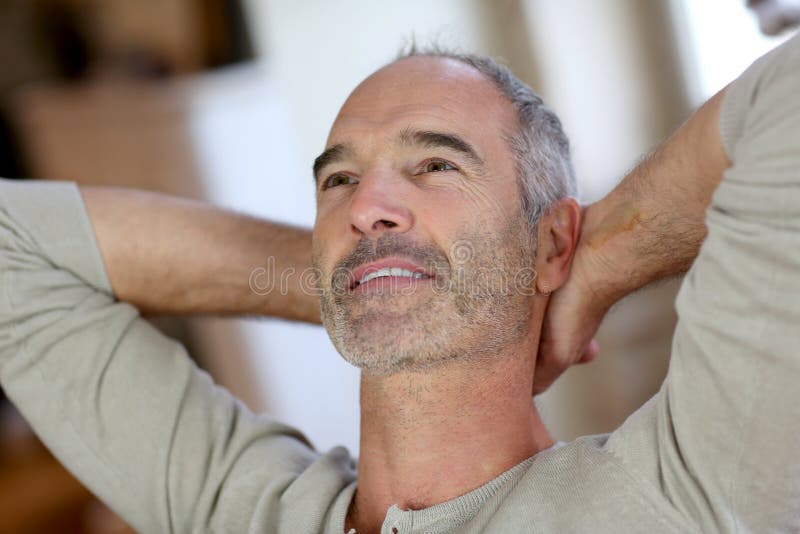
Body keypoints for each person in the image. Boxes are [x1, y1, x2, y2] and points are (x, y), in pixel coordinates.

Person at [0, 28, 798, 534]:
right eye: (339, 181)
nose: (369, 206)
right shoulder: (238, 509)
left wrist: (594, 263)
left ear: (550, 238)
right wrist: (355, 278)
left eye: (436, 165)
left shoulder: (683, 499)